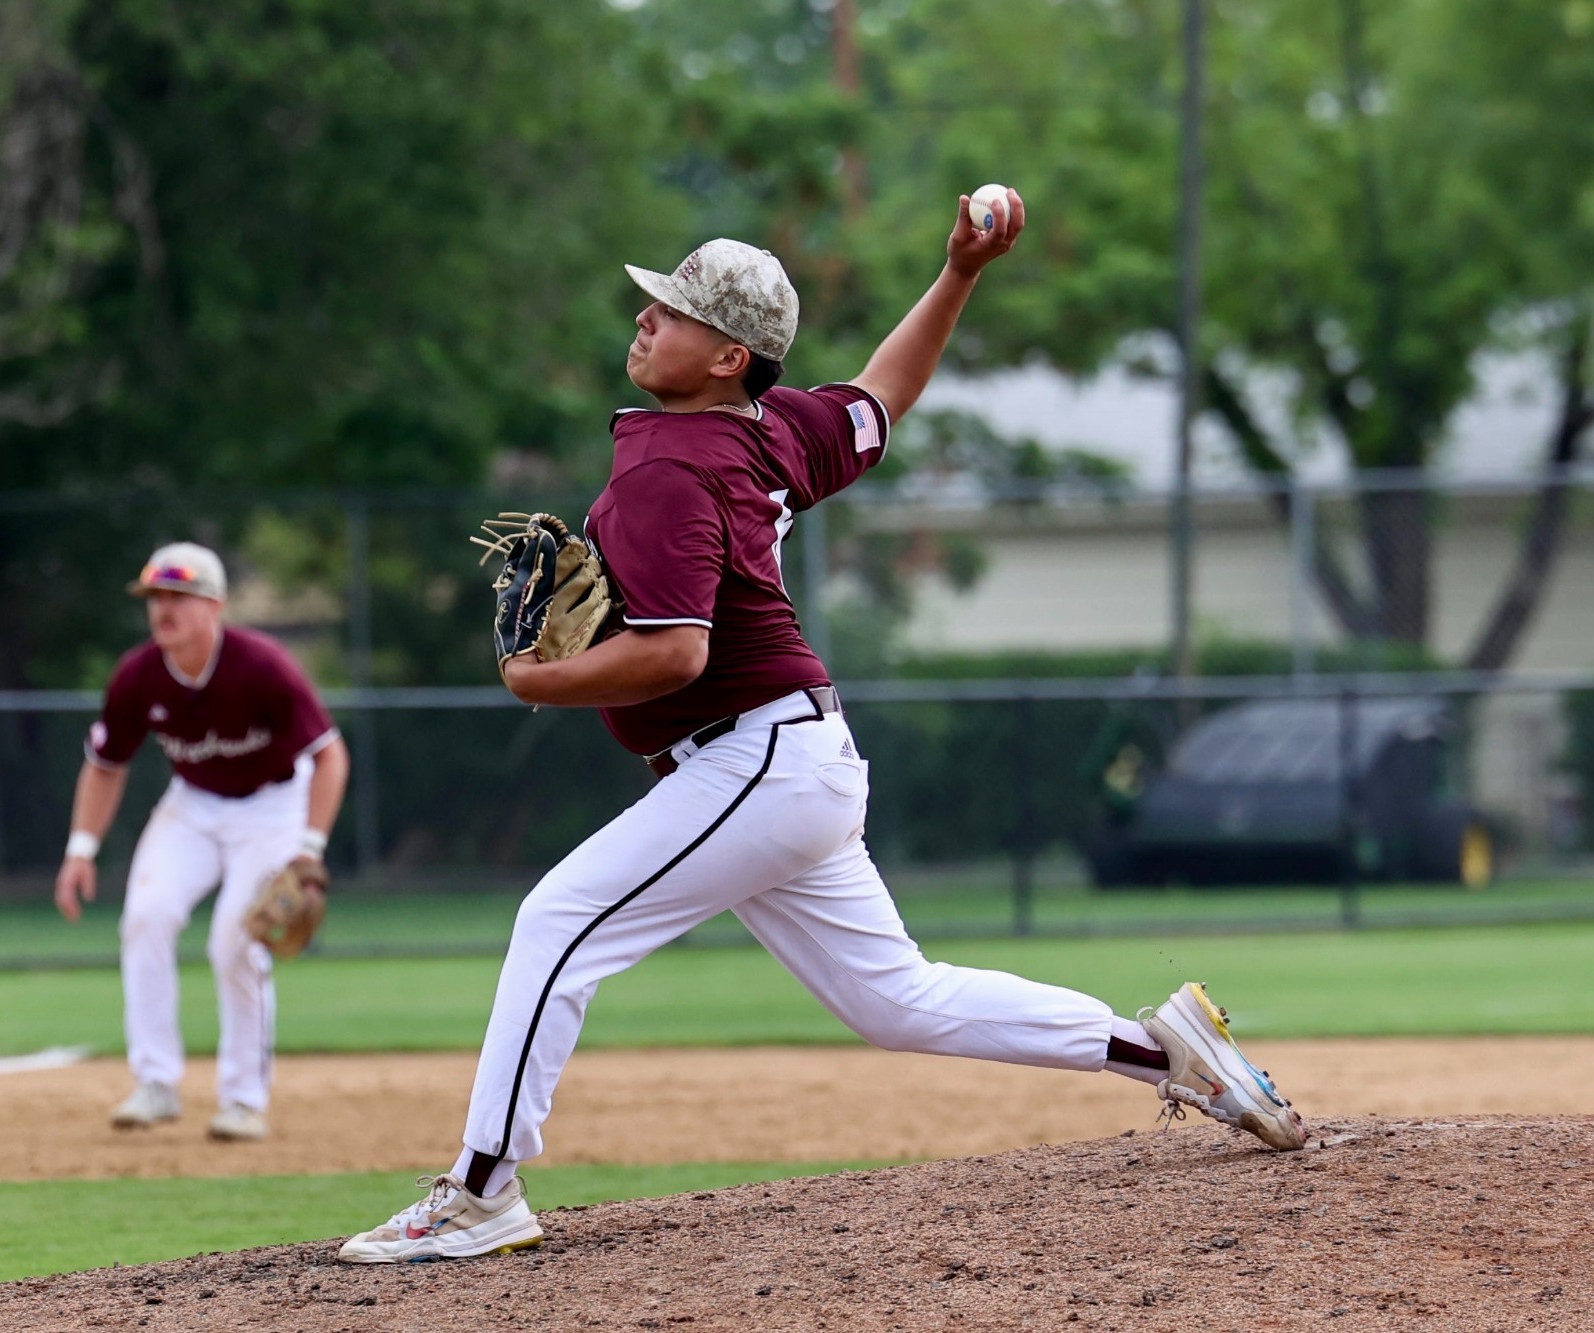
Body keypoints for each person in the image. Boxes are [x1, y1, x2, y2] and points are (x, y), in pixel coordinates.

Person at [336, 192, 1304, 1264]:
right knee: (897, 1000)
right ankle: (1163, 1050)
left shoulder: (669, 467)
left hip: (754, 758)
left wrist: (528, 679)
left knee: (554, 924)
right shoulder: (773, 427)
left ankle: (481, 1190)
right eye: (654, 301)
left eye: (675, 310)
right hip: (787, 760)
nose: (647, 317)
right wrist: (958, 275)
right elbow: (881, 397)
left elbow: (675, 654)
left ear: (726, 356)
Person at [55, 542, 349, 1141]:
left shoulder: (263, 665)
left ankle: (243, 1099)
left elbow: (329, 757)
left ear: (214, 604)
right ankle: (156, 1085)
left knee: (234, 942)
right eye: (155, 598)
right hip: (192, 805)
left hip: (272, 806)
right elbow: (106, 764)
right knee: (145, 916)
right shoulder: (138, 675)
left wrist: (309, 847)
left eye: (178, 596)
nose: (164, 609)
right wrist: (81, 849)